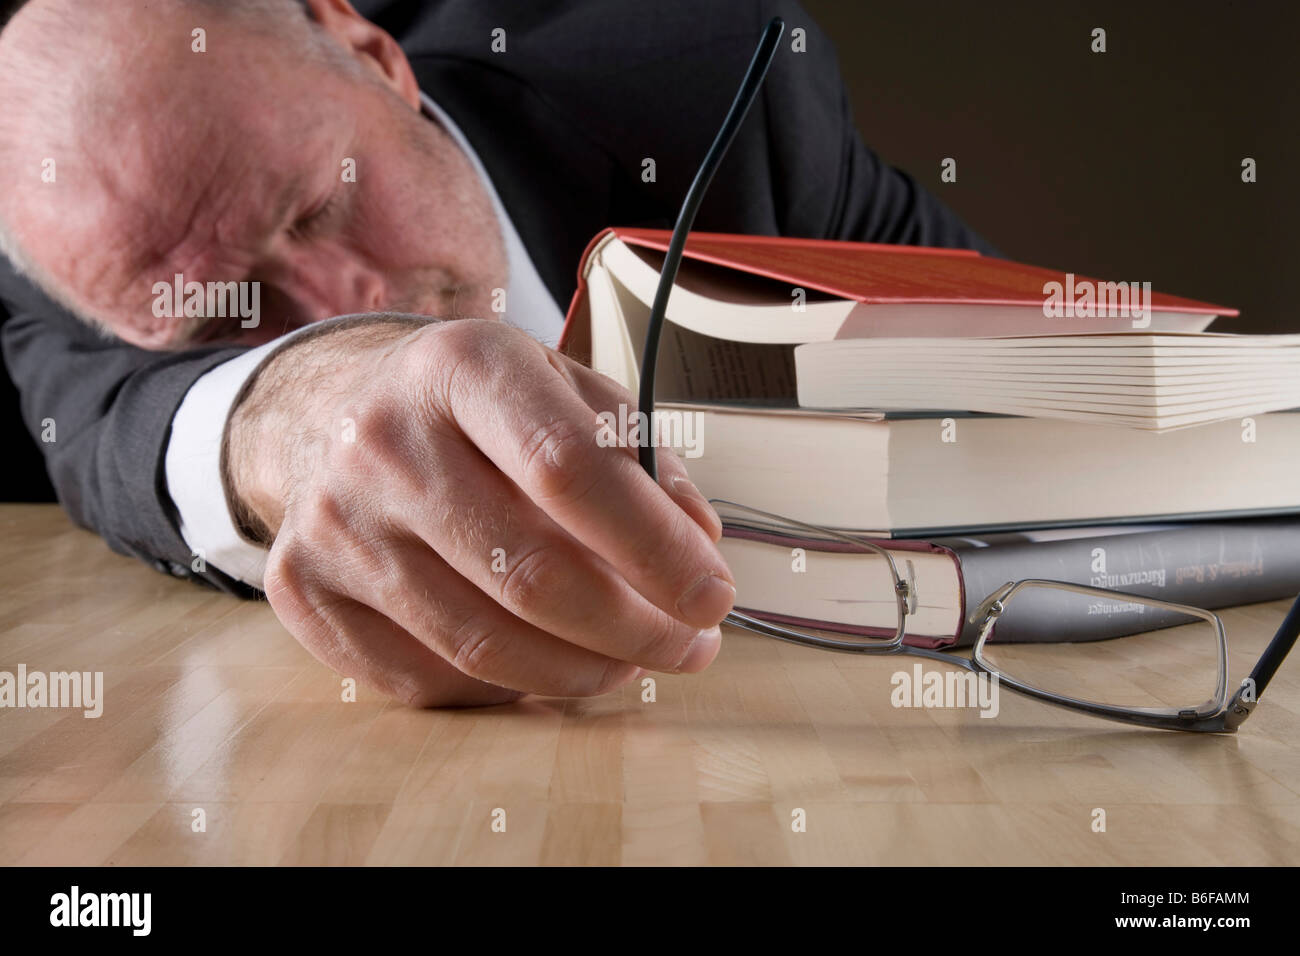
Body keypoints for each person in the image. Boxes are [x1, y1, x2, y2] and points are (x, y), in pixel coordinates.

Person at [0, 0, 998, 706]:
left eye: (321, 204)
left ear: (369, 52)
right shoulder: (77, 262)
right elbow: (109, 429)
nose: (347, 304)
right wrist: (300, 418)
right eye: (223, 314)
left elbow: (1013, 351)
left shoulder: (709, 83)